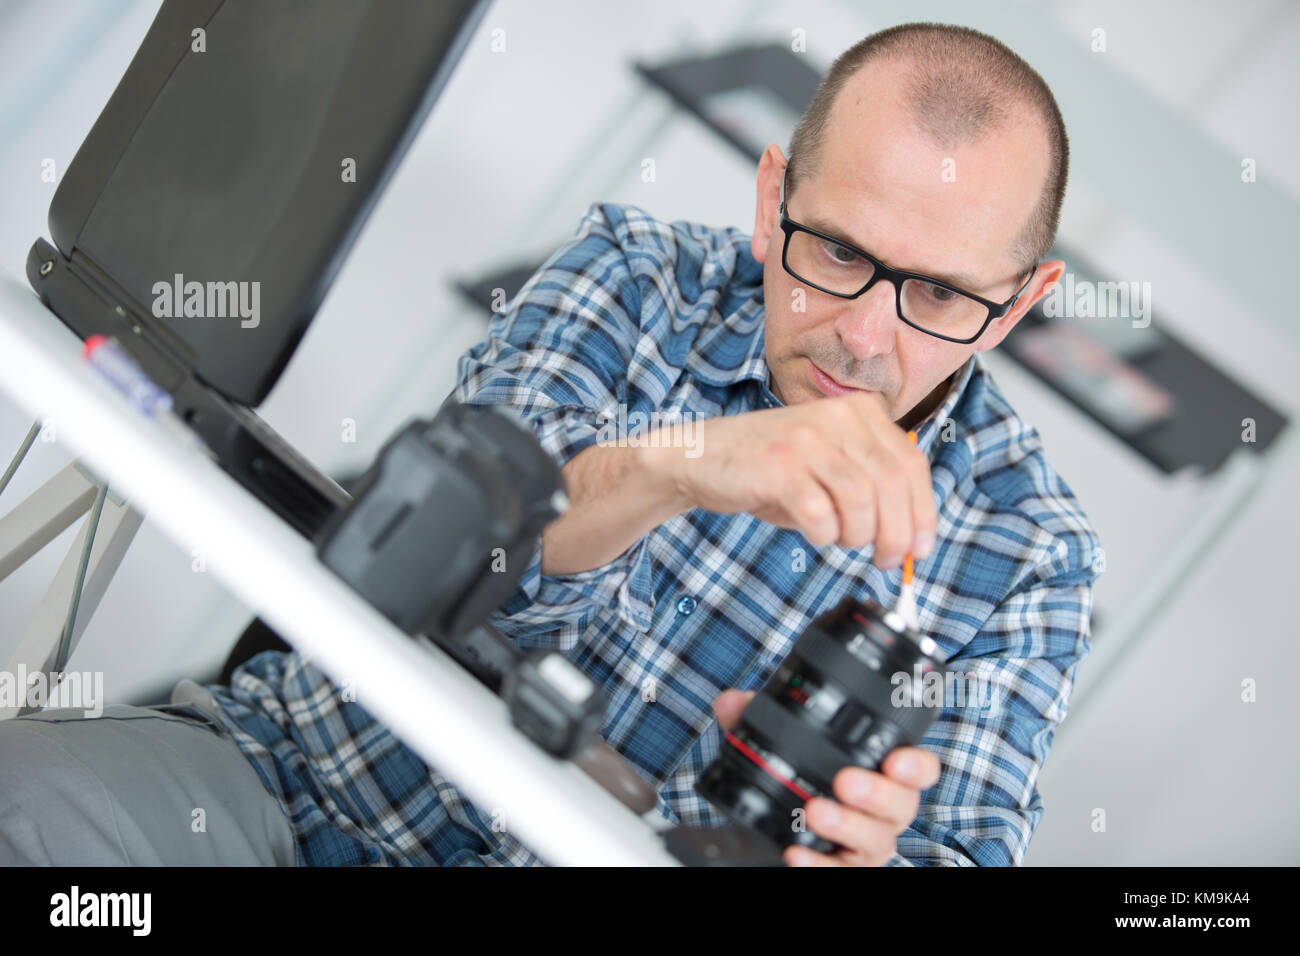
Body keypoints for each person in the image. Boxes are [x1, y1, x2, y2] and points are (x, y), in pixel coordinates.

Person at [0, 22, 1100, 867]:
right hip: (295, 796)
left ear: (1019, 303)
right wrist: (678, 461)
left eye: (941, 296)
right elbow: (468, 563)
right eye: (836, 252)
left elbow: (959, 848)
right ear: (772, 202)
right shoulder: (632, 275)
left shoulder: (1029, 551)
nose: (864, 335)